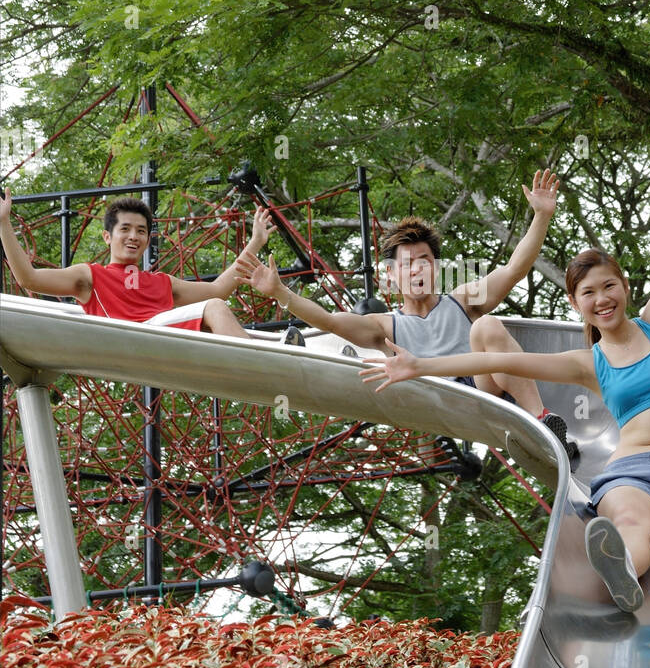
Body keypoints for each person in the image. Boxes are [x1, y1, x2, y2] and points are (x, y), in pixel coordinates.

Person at [359, 107, 650, 612]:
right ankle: (621, 569)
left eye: (609, 286)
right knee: (629, 529)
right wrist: (418, 367)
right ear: (576, 303)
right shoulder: (587, 362)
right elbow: (508, 365)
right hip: (629, 472)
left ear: (625, 288)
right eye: (588, 292)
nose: (602, 298)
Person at [235, 169, 577, 457]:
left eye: (424, 261)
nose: (417, 270)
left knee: (487, 324)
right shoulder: (385, 325)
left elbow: (514, 269)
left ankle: (543, 423)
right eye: (408, 264)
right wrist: (280, 292)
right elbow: (329, 321)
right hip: (438, 401)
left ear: (437, 268)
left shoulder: (462, 300)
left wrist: (542, 215)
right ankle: (539, 428)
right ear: (392, 275)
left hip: (479, 389)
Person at [0, 190, 274, 338]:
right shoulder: (91, 276)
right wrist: (3, 223)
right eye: (126, 229)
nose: (133, 236)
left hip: (165, 340)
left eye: (141, 231)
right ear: (108, 236)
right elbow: (29, 279)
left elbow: (218, 289)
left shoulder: (161, 282)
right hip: (132, 336)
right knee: (213, 309)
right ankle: (265, 365)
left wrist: (256, 242)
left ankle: (272, 353)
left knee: (215, 308)